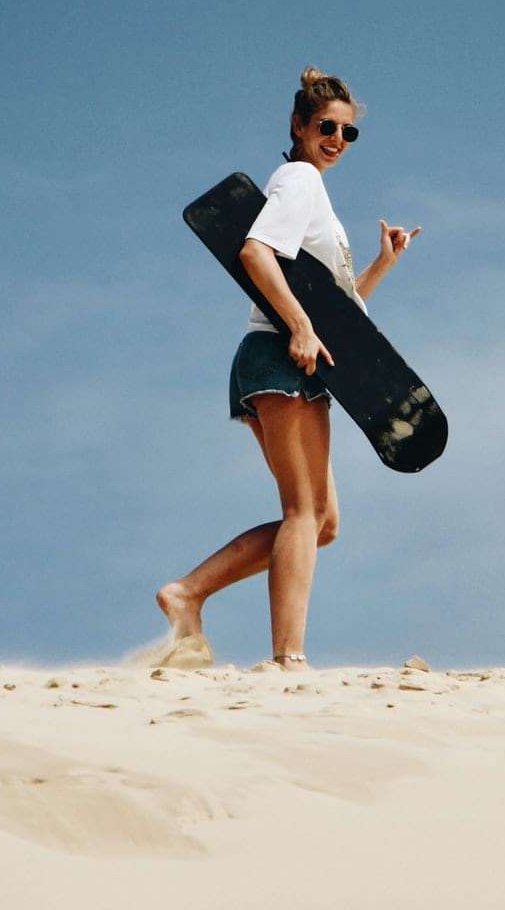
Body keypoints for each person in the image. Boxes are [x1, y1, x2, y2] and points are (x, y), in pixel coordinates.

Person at [155, 67, 421, 672]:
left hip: (293, 357)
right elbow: (255, 252)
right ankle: (287, 660)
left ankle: (188, 592)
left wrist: (381, 265)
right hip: (281, 355)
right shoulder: (298, 179)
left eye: (347, 133)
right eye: (325, 127)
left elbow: (341, 315)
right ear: (299, 126)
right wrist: (299, 328)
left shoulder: (316, 195)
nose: (335, 139)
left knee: (321, 522)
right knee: (304, 513)